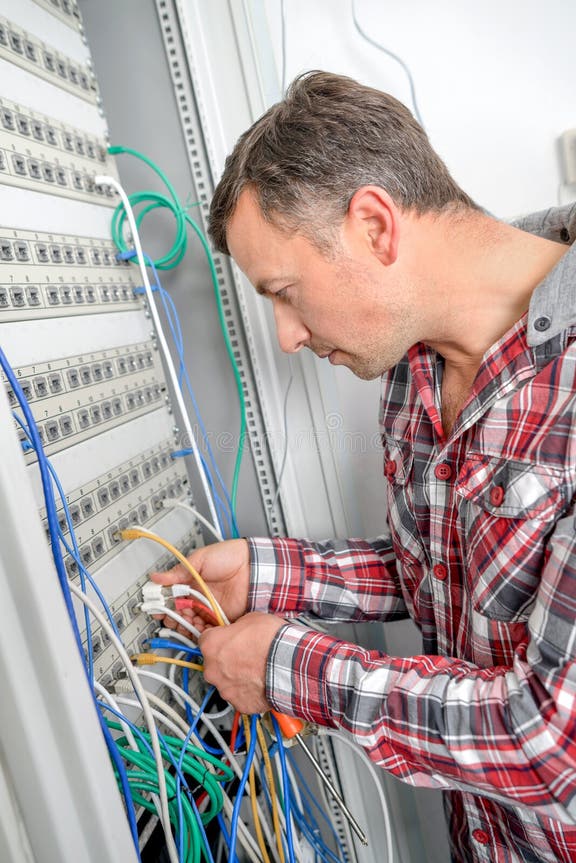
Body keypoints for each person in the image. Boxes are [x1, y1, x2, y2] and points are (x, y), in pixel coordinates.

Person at [153, 71, 576, 862]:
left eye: (283, 291)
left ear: (375, 226)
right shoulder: (415, 366)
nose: (285, 335)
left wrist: (288, 667)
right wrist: (273, 575)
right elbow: (446, 576)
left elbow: (553, 742)